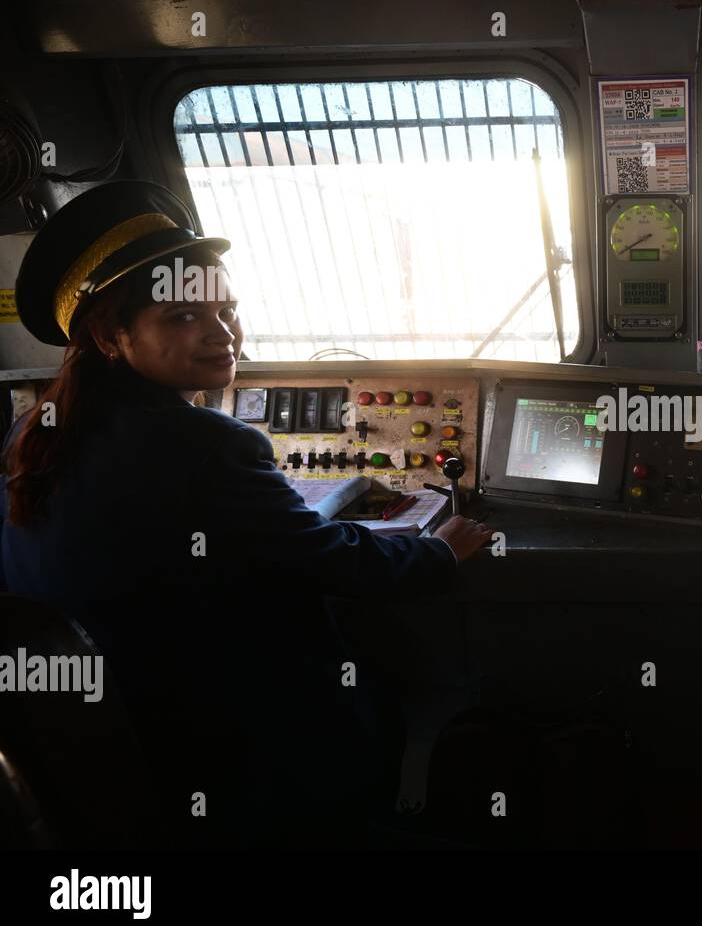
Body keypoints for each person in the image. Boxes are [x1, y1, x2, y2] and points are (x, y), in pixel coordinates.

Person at [0, 180, 493, 847]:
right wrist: (439, 550)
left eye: (226, 309)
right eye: (182, 317)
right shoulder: (207, 445)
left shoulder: (32, 434)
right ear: (110, 335)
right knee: (423, 682)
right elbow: (333, 560)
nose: (222, 333)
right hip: (228, 750)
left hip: (102, 758)